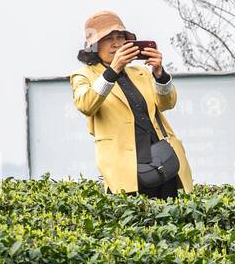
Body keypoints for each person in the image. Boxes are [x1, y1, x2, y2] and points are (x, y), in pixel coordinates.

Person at [69, 10, 193, 199]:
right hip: (124, 169)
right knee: (132, 222)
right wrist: (112, 71)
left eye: (120, 37)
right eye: (108, 38)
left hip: (162, 160)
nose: (116, 43)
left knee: (170, 221)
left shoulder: (140, 72)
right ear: (94, 46)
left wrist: (160, 74)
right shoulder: (84, 75)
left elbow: (167, 103)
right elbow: (86, 104)